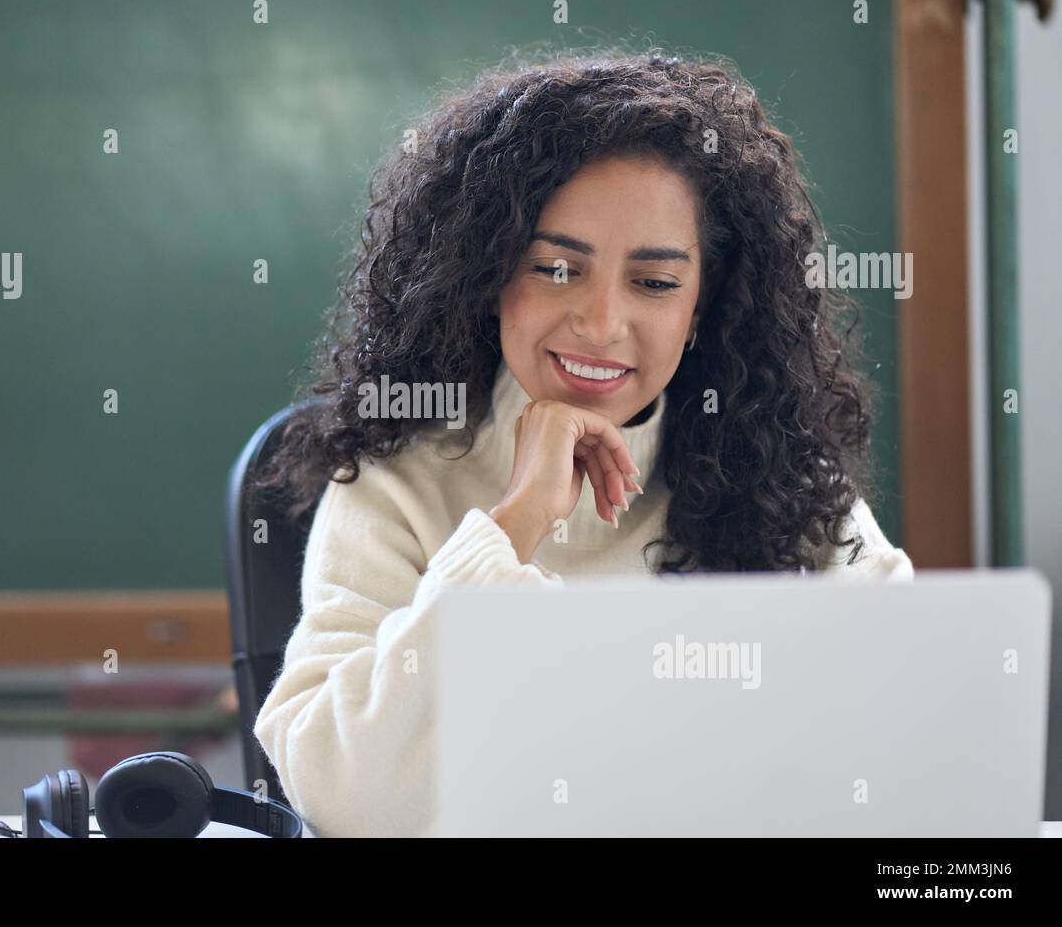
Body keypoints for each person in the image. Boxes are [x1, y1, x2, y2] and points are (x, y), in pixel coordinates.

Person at [247, 48, 914, 837]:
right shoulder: (394, 486)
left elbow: (905, 747)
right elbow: (349, 800)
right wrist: (512, 529)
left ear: (704, 305)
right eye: (557, 269)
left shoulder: (782, 476)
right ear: (486, 274)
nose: (601, 324)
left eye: (655, 283)